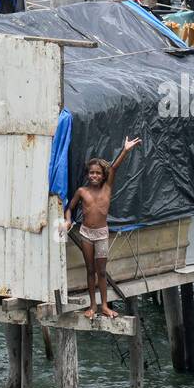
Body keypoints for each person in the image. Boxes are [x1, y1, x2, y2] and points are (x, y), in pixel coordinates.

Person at [63, 136, 142, 320]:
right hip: (86, 234)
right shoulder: (82, 191)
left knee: (102, 271)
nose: (94, 176)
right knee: (90, 271)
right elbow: (70, 208)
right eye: (91, 173)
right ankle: (93, 306)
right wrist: (67, 220)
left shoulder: (107, 188)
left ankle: (104, 306)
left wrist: (125, 150)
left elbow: (114, 167)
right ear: (87, 174)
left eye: (98, 173)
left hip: (101, 234)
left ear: (103, 175)